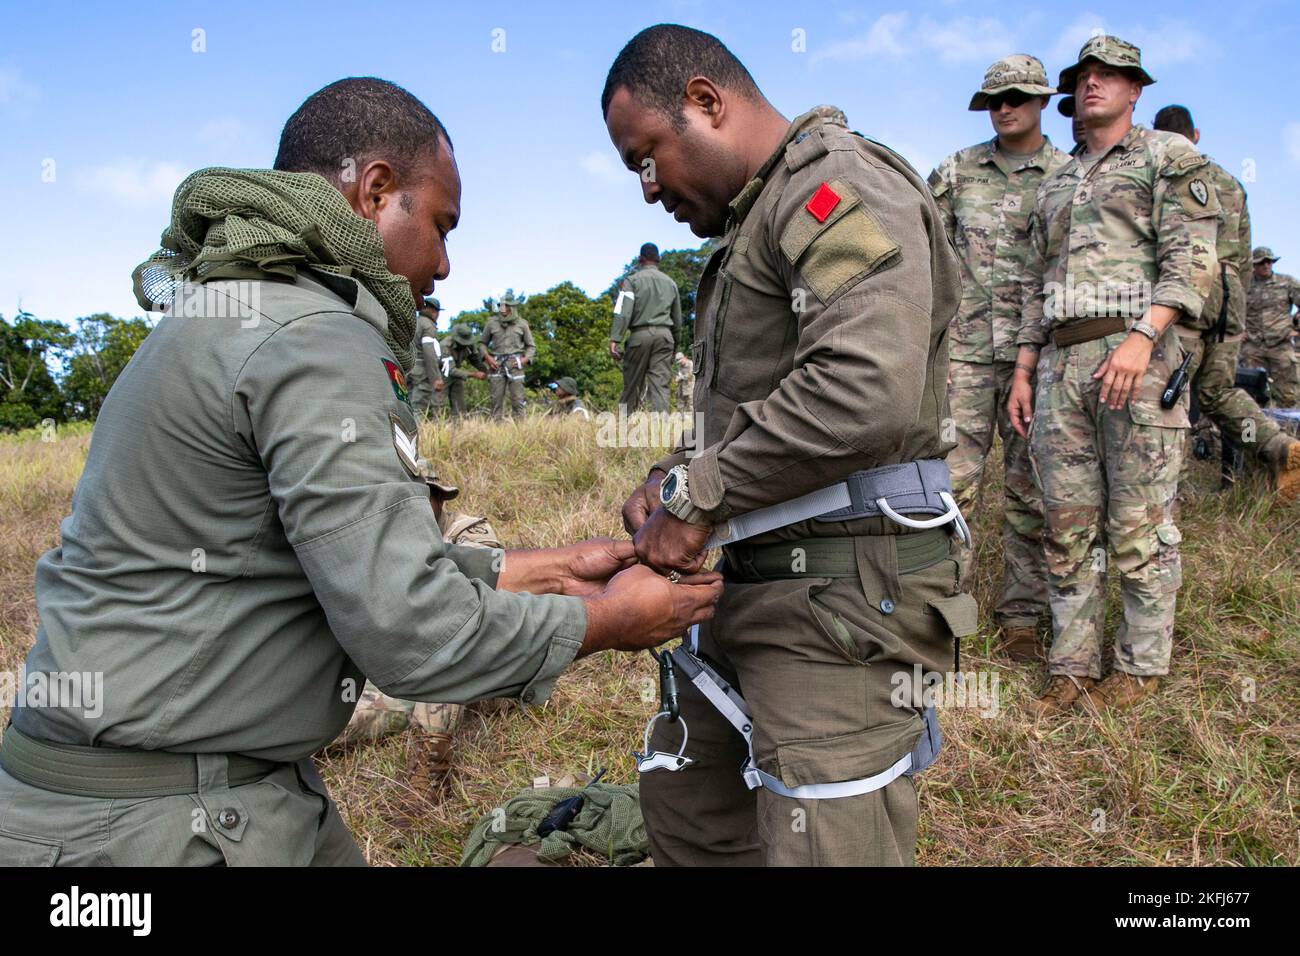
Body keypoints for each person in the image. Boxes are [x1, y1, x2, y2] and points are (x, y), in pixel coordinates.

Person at [0, 77, 723, 867]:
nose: (444, 265)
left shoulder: (239, 302)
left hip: (225, 785)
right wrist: (612, 621)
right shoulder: (314, 333)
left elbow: (332, 563)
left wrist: (557, 569)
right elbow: (411, 631)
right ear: (376, 191)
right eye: (441, 227)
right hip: (156, 823)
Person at [603, 24, 975, 866]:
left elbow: (862, 390)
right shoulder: (754, 225)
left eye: (647, 157)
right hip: (752, 585)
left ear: (705, 102)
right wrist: (671, 478)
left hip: (841, 597)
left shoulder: (835, 187)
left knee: (822, 840)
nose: (648, 188)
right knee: (692, 817)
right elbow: (755, 410)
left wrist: (697, 500)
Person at [1007, 37, 1220, 716]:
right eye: (1084, 76)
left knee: (1138, 521)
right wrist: (1023, 371)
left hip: (1137, 355)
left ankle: (1139, 666)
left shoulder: (1168, 158)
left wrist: (1143, 336)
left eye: (1111, 75)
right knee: (1065, 523)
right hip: (1059, 366)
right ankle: (1070, 665)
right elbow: (1034, 286)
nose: (1093, 83)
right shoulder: (1055, 183)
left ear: (1136, 91)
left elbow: (1193, 258)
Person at [927, 55, 1068, 661]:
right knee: (945, 492)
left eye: (1015, 97)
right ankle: (938, 619)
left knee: (1030, 493)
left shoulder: (1068, 176)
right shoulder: (956, 173)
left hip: (1039, 361)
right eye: (993, 100)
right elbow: (919, 242)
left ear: (1040, 101)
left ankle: (1019, 623)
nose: (1003, 108)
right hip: (960, 357)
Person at [1151, 106, 1300, 501]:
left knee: (1168, 392)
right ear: (1195, 134)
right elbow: (1246, 255)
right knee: (1217, 391)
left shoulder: (1162, 171)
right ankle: (1278, 446)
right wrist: (1236, 313)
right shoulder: (1231, 182)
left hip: (1186, 296)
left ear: (1156, 134)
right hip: (1228, 301)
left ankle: (1171, 493)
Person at [337, 465, 500, 780]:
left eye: (419, 496)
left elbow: (465, 604)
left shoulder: (468, 531)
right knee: (330, 717)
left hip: (474, 667)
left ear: (438, 497)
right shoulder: (386, 542)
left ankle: (428, 771)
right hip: (400, 668)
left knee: (447, 634)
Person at [610, 243, 681, 413]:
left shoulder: (631, 281)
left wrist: (615, 338)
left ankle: (624, 428)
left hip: (639, 336)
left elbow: (623, 312)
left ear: (640, 259)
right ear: (659, 259)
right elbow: (677, 320)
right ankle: (661, 431)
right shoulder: (671, 283)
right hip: (665, 337)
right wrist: (675, 346)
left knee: (632, 385)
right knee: (660, 387)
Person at [1243, 247, 1300, 406]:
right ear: (1254, 265)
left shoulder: (1287, 282)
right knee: (1251, 395)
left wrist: (1296, 328)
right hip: (1252, 348)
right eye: (1261, 262)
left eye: (1269, 261)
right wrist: (1239, 331)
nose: (1266, 265)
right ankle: (1253, 429)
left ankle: (1287, 429)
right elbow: (1233, 309)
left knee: (1287, 394)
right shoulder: (1244, 285)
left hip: (1281, 346)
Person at [481, 293, 535, 419]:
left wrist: (525, 359)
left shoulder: (522, 324)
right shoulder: (491, 323)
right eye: (501, 306)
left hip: (515, 365)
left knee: (518, 401)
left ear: (512, 307)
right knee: (496, 401)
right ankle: (496, 432)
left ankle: (522, 431)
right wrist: (487, 358)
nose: (503, 309)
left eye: (506, 306)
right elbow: (482, 344)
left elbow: (531, 346)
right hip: (496, 365)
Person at [440, 322, 490, 418]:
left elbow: (475, 360)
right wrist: (474, 374)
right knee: (438, 402)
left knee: (460, 404)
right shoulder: (445, 346)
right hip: (442, 373)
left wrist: (487, 371)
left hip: (457, 374)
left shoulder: (470, 344)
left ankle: (459, 423)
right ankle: (434, 425)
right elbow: (450, 370)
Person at [407, 297, 446, 417]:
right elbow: (429, 352)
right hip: (422, 373)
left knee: (406, 406)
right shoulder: (428, 326)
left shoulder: (414, 322)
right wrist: (436, 378)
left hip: (408, 369)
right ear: (434, 311)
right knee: (418, 409)